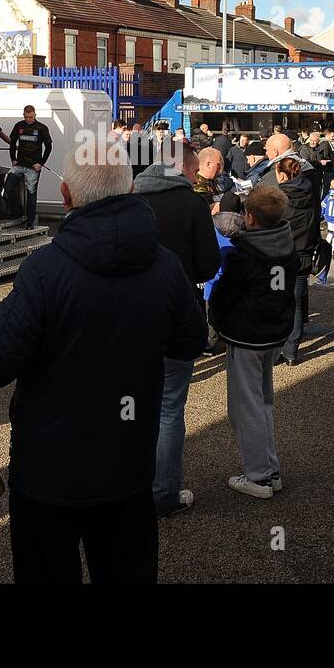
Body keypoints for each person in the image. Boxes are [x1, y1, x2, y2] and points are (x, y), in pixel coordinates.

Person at [0, 141, 207, 583]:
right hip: (128, 466)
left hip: (49, 470)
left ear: (65, 197)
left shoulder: (44, 269)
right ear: (132, 187)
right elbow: (190, 341)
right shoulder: (165, 266)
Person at [133, 147, 221, 517]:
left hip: (131, 315)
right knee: (170, 407)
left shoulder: (132, 200)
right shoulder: (193, 205)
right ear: (184, 168)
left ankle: (129, 487)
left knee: (132, 405)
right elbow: (208, 266)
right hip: (176, 314)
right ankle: (163, 493)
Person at [208, 186, 298, 499]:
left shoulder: (243, 254)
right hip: (274, 332)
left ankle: (258, 474)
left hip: (247, 334)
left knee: (245, 406)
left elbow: (224, 295)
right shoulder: (288, 247)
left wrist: (216, 322)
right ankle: (268, 469)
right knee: (262, 401)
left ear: (250, 216)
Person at [276, 153, 321, 366]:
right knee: (296, 302)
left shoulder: (280, 197)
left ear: (283, 175)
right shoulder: (310, 193)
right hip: (303, 255)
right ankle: (292, 351)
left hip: (281, 257)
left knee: (278, 302)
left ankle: (278, 348)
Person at [5, 105, 53, 229]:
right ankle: (18, 211)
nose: (28, 119)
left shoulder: (42, 128)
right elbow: (12, 142)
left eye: (31, 117)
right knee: (8, 186)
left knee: (31, 194)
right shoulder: (19, 125)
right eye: (26, 117)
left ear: (35, 115)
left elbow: (49, 147)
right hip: (19, 164)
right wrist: (13, 159)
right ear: (23, 115)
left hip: (33, 166)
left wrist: (41, 163)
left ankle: (30, 222)